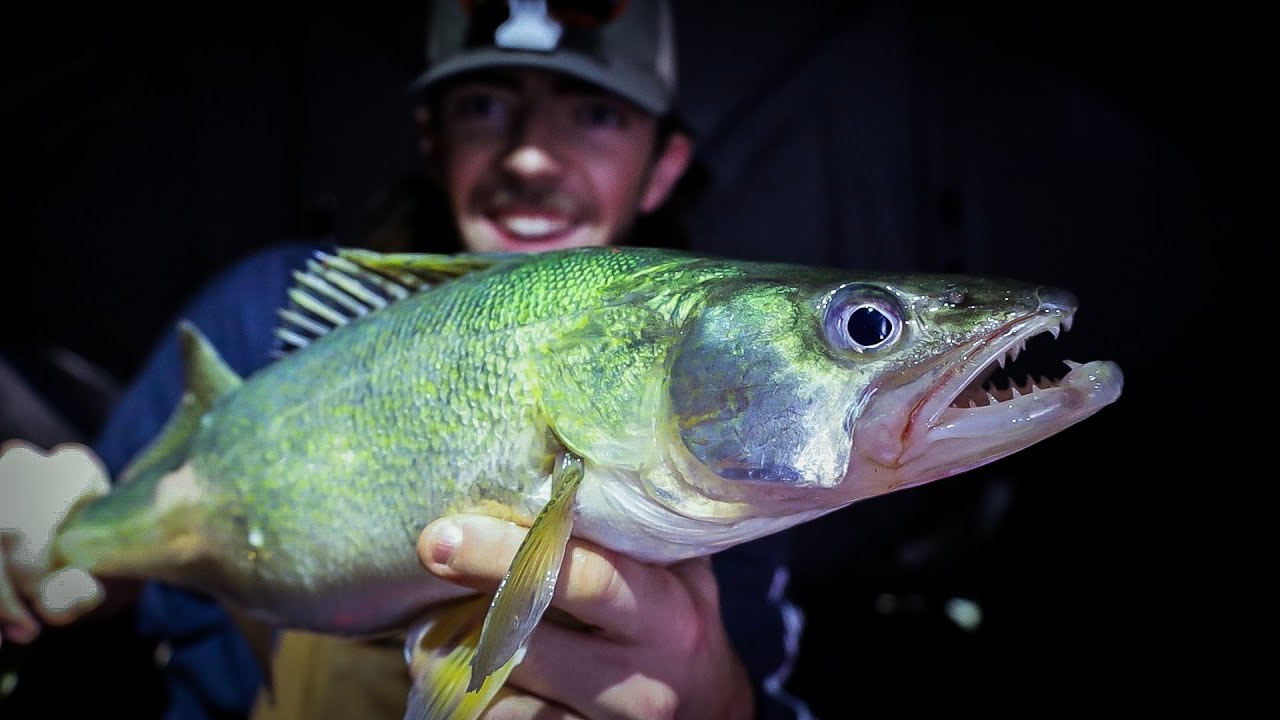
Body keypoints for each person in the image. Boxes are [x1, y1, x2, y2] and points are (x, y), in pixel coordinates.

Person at [0, 1, 808, 718]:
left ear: (664, 163)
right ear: (431, 135)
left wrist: (717, 702)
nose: (530, 157)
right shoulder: (267, 308)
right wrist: (42, 538)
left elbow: (762, 693)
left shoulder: (721, 412)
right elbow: (105, 538)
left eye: (595, 113)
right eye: (486, 105)